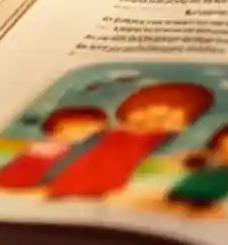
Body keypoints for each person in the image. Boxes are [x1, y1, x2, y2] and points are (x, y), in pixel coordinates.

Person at [47, 82, 214, 199]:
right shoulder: (109, 132)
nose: (153, 120)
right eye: (145, 110)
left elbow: (174, 153)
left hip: (105, 183)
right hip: (77, 176)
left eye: (168, 116)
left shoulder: (158, 139)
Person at [0, 107, 107, 191]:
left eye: (93, 131)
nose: (87, 133)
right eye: (82, 128)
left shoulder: (78, 151)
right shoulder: (40, 148)